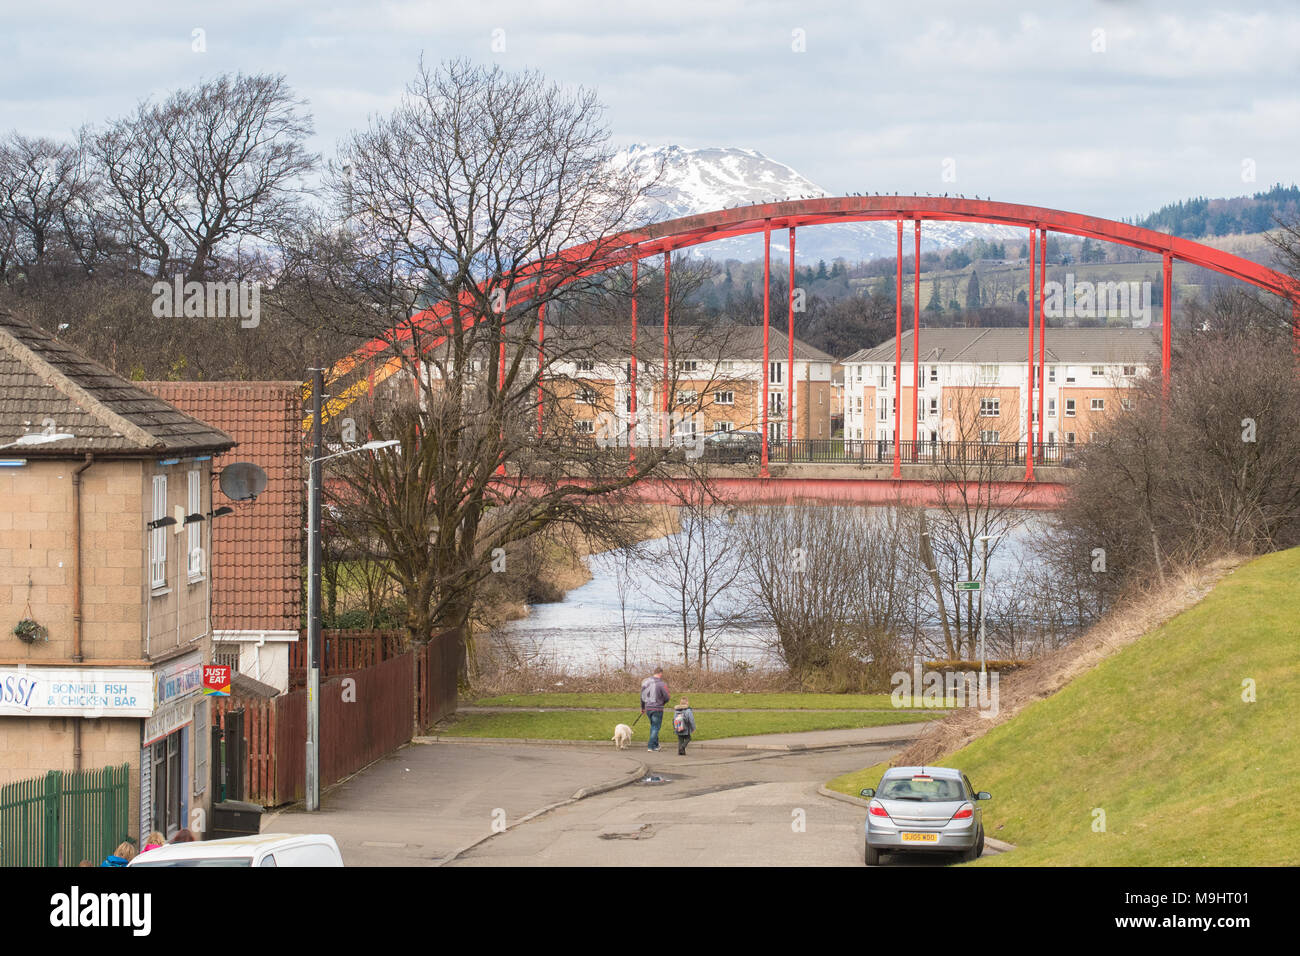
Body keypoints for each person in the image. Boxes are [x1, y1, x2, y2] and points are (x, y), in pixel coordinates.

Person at [639, 666, 669, 752]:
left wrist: (643, 707)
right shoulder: (662, 684)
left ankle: (656, 746)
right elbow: (667, 697)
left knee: (653, 727)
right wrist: (663, 702)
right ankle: (650, 746)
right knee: (656, 727)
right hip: (657, 708)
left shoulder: (646, 683)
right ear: (660, 673)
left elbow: (642, 696)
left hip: (648, 708)